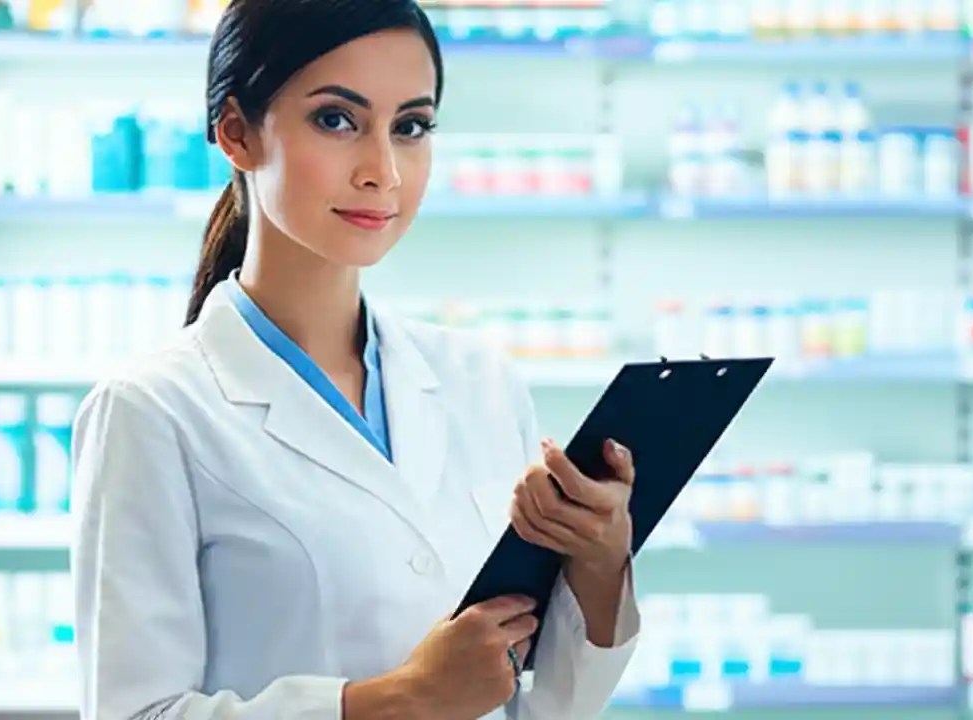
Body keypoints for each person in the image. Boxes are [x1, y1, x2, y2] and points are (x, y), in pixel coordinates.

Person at [69, 0, 640, 717]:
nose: (384, 171)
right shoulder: (152, 411)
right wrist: (396, 700)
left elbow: (542, 702)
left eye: (410, 127)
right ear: (236, 133)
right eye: (336, 120)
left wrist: (598, 562)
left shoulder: (479, 382)